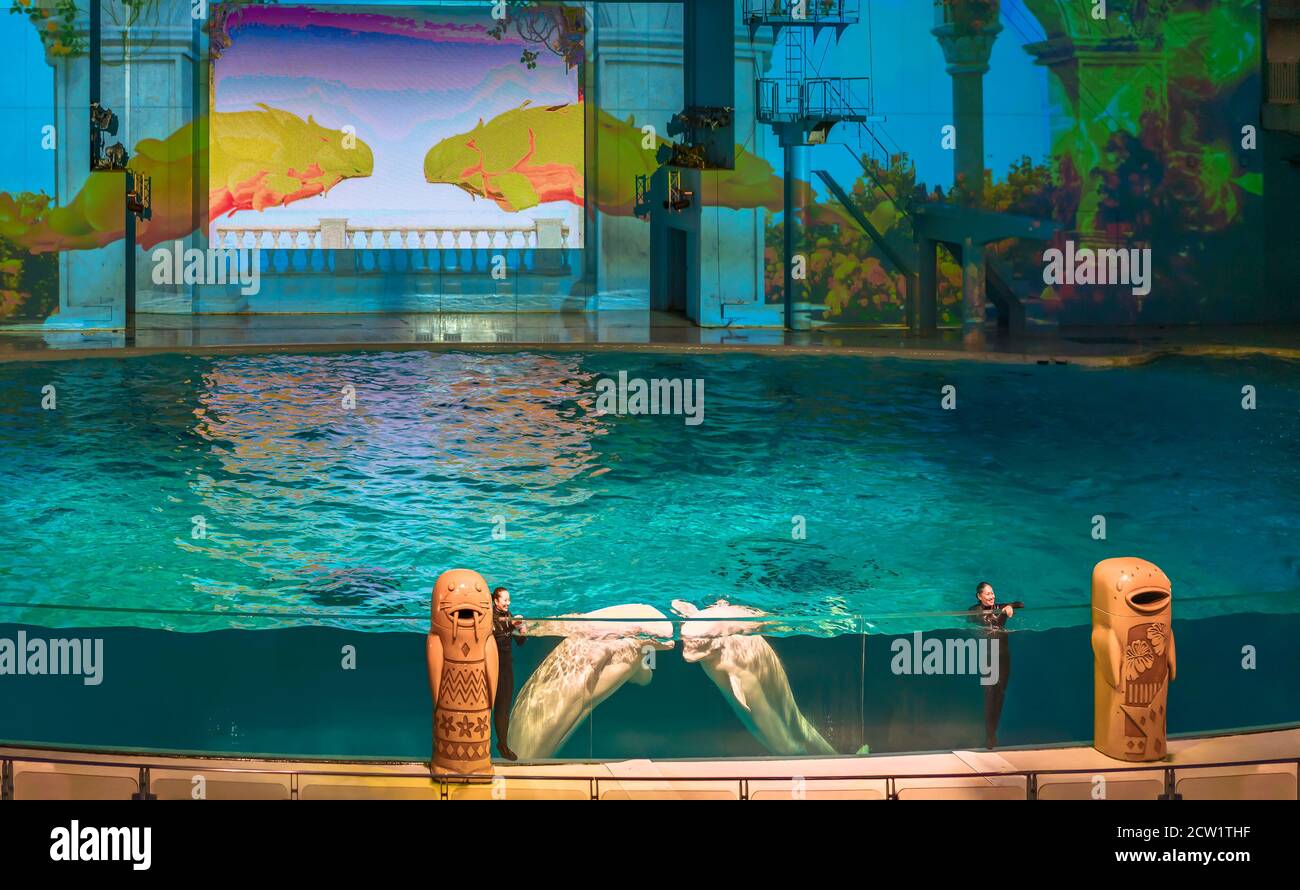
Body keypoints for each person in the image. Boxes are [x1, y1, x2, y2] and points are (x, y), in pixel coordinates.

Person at [968, 581, 1014, 749]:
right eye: (988, 594)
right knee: (990, 693)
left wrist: (1010, 606)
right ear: (979, 596)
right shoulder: (974, 611)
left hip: (1004, 656)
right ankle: (989, 734)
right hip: (988, 657)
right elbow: (989, 622)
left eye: (993, 593)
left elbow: (1020, 603)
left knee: (1000, 692)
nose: (992, 596)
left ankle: (993, 730)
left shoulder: (998, 607)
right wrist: (1003, 613)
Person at [491, 586, 526, 761]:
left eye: (508, 599)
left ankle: (502, 744)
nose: (508, 602)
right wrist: (511, 624)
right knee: (488, 705)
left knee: (504, 706)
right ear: (496, 601)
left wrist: (522, 632)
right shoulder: (490, 615)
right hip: (491, 665)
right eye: (504, 600)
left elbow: (519, 642)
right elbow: (495, 629)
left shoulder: (509, 614)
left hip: (506, 666)